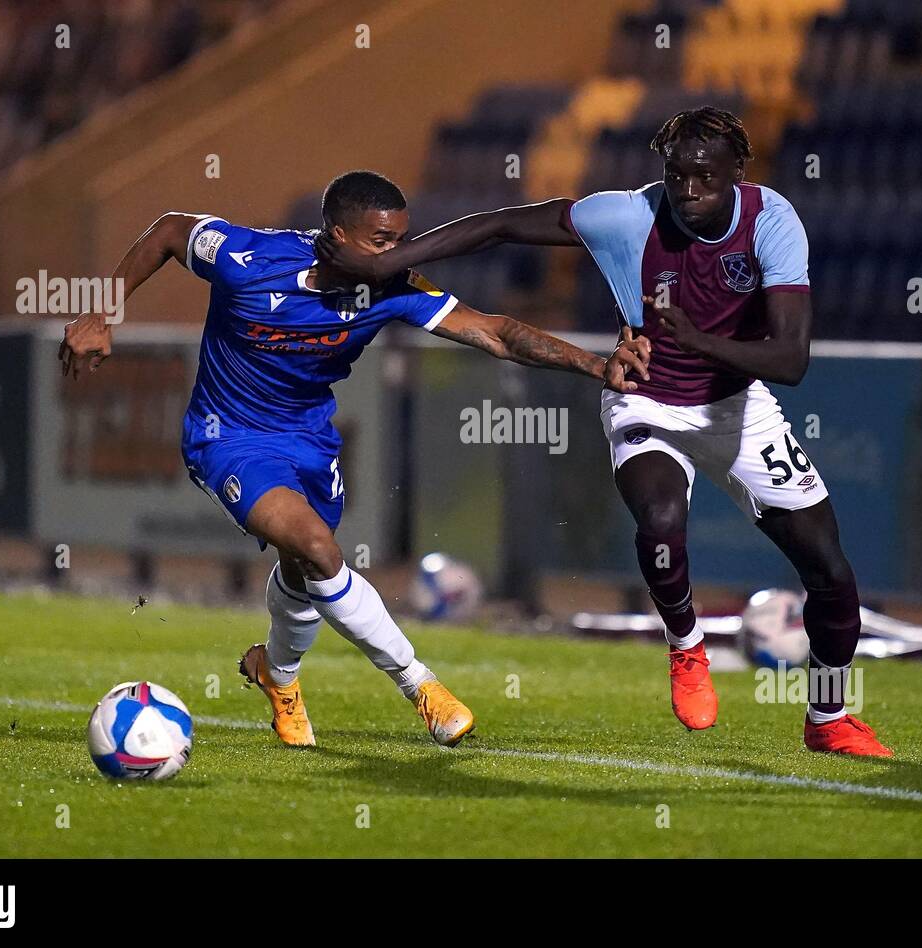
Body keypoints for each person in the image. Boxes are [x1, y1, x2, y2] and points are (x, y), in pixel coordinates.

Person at [316, 111, 892, 756]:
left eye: (705, 176)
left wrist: (695, 338)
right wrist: (396, 259)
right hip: (642, 396)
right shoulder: (627, 216)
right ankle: (687, 649)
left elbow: (791, 361)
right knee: (661, 516)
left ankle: (829, 718)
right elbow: (502, 225)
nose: (689, 189)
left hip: (738, 409)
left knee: (831, 572)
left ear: (737, 173)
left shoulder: (773, 220)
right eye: (677, 175)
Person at [59, 170, 650, 749]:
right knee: (319, 550)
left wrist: (598, 366)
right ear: (336, 234)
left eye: (402, 239)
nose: (398, 253)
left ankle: (278, 677)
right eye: (382, 242)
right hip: (228, 438)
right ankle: (422, 687)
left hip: (310, 441)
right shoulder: (246, 256)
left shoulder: (393, 287)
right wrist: (102, 312)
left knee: (303, 569)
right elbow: (167, 230)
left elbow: (495, 333)